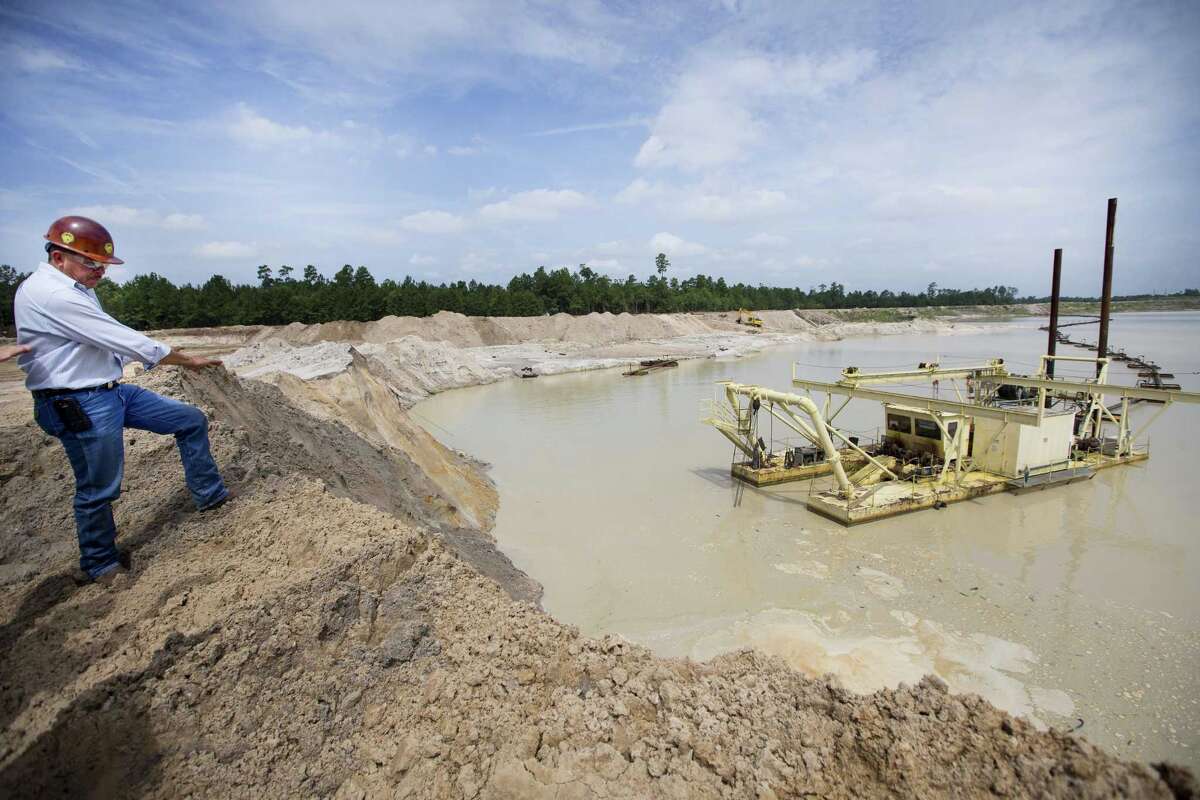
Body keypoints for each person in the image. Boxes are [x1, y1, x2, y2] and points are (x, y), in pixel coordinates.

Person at [14, 215, 231, 584]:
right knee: (98, 488)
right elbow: (128, 340)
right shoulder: (55, 294)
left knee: (190, 420)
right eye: (91, 262)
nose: (100, 271)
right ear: (58, 257)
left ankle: (210, 497)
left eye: (103, 265)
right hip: (78, 403)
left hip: (110, 391)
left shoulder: (76, 285)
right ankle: (99, 564)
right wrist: (187, 360)